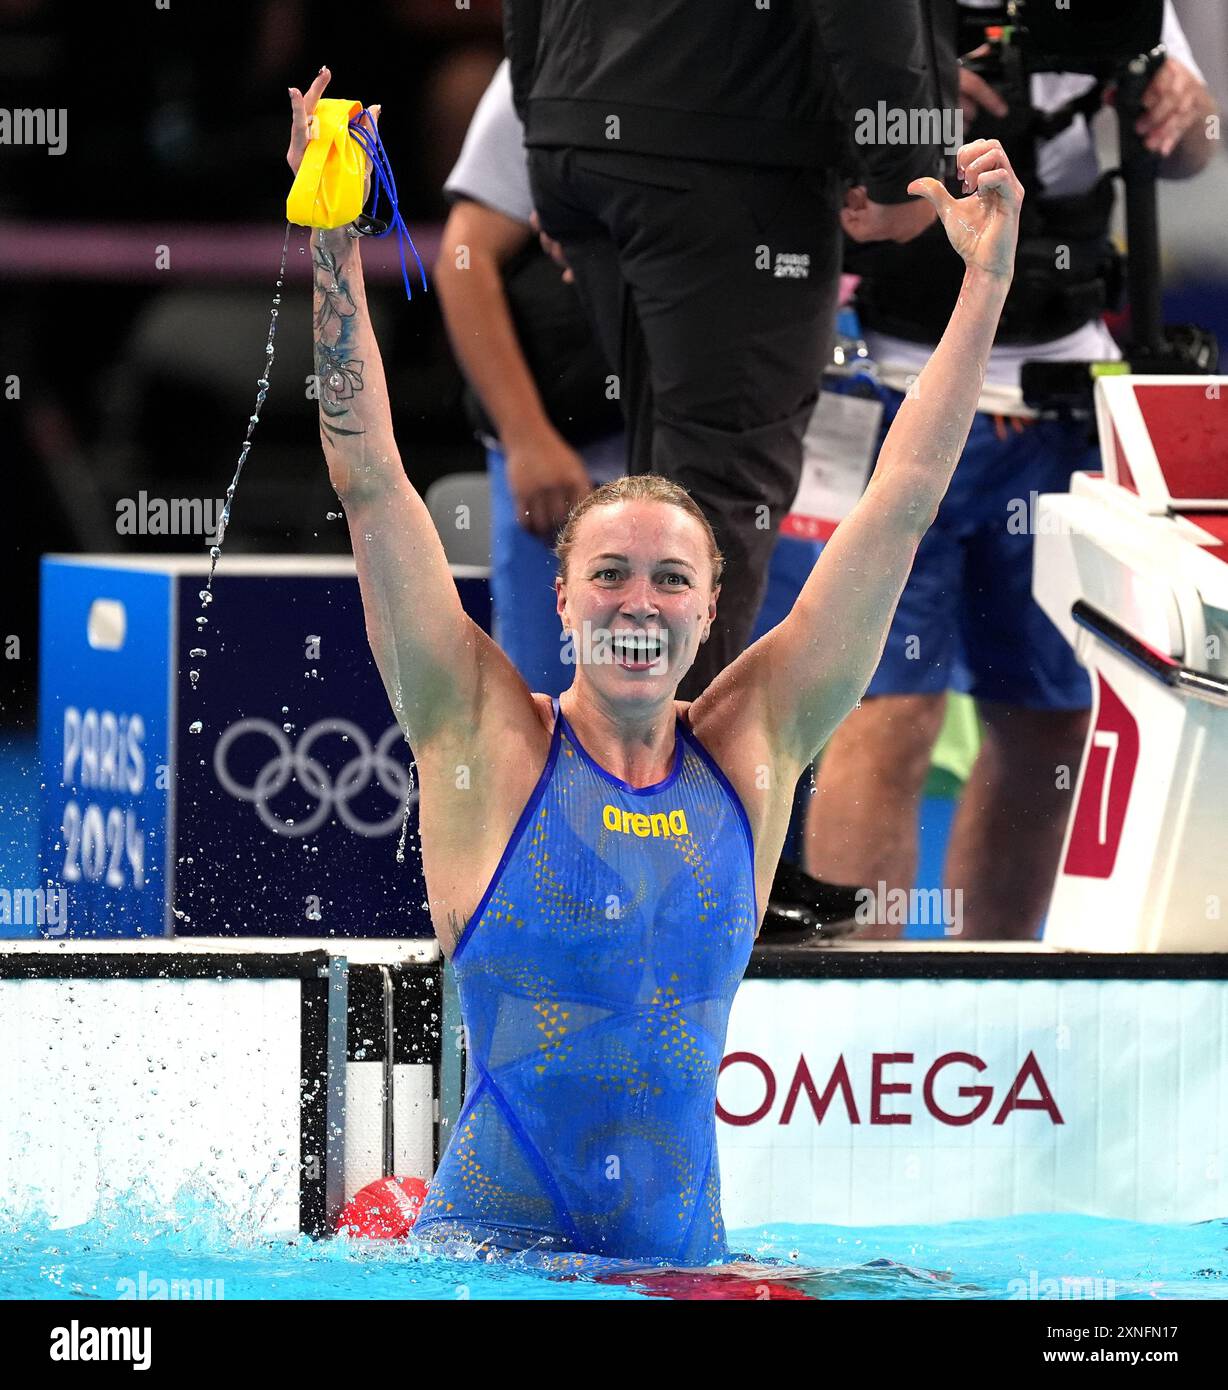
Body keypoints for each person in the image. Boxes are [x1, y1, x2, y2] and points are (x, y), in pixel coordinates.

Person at [288, 69, 1024, 1266]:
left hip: (691, 1274)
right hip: (488, 1271)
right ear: (562, 599)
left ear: (712, 605)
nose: (640, 601)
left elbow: (897, 503)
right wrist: (329, 240)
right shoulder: (481, 733)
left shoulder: (754, 743)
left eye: (671, 579)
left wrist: (982, 281)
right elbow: (368, 476)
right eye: (612, 575)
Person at [807, 0, 1217, 941]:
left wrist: (1185, 106)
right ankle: (857, 993)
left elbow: (1192, 144)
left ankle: (991, 972)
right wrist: (904, 104)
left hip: (1061, 394)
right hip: (896, 384)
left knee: (1049, 719)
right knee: (885, 710)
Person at [434, 60, 849, 935]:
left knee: (748, 694)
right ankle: (548, 925)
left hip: (735, 444)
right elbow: (464, 259)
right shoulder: (548, 64)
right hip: (573, 456)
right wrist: (525, 435)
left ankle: (737, 899)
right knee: (547, 722)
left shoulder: (794, 51)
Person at [507, 0, 952, 700]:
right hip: (729, 152)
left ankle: (615, 790)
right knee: (708, 517)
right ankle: (669, 802)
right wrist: (906, 166)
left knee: (669, 495)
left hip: (585, 126)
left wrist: (552, 124)